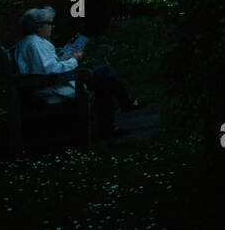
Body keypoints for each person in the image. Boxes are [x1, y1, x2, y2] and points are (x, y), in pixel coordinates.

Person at [16, 7, 146, 137]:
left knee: (103, 79)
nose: (53, 26)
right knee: (103, 77)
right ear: (38, 27)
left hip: (51, 83)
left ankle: (118, 114)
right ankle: (122, 110)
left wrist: (66, 56)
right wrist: (74, 60)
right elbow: (51, 71)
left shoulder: (35, 42)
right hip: (51, 89)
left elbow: (48, 66)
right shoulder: (34, 44)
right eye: (50, 23)